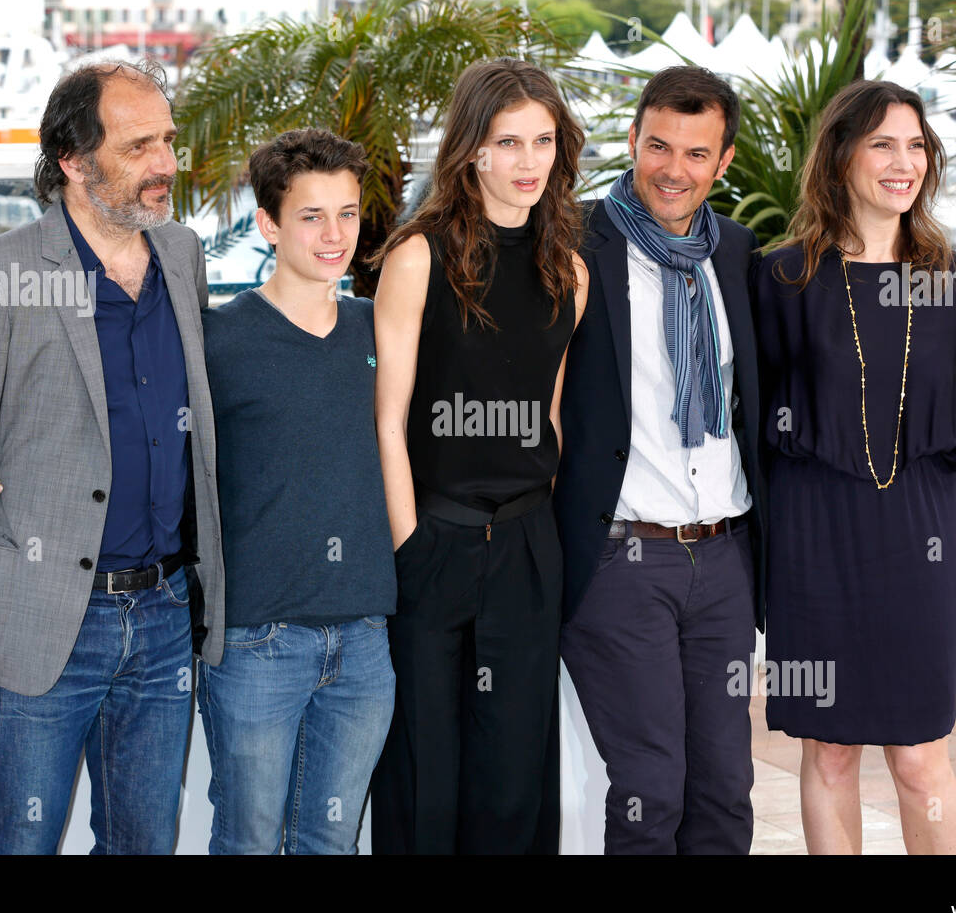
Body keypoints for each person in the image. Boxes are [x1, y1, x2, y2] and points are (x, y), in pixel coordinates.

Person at [0, 59, 225, 854]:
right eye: (138, 147)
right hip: (41, 621)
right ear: (73, 161)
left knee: (143, 844)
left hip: (162, 618)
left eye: (167, 140)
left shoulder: (183, 256)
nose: (166, 164)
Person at [754, 79, 956, 854]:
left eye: (917, 146)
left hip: (919, 537)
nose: (905, 163)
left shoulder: (955, 278)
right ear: (840, 157)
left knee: (920, 753)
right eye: (883, 145)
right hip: (812, 539)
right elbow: (752, 429)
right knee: (827, 750)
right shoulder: (785, 277)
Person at [367, 57, 588, 854]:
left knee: (514, 776)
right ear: (470, 152)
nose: (529, 162)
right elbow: (386, 420)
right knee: (424, 769)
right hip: (435, 541)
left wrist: (543, 537)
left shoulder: (568, 268)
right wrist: (410, 544)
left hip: (529, 545)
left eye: (544, 142)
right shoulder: (418, 256)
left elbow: (551, 414)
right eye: (508, 143)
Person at [553, 65, 768, 854]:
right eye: (658, 146)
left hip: (725, 557)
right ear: (635, 141)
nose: (673, 170)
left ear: (724, 162)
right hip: (620, 560)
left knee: (726, 787)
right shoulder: (571, 241)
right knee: (651, 785)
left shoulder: (739, 255)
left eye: (696, 154)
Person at [196, 129, 396, 854]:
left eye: (347, 213)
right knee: (248, 839)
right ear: (269, 223)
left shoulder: (382, 329)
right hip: (256, 640)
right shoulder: (217, 339)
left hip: (367, 637)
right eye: (311, 215)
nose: (334, 233)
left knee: (332, 840)